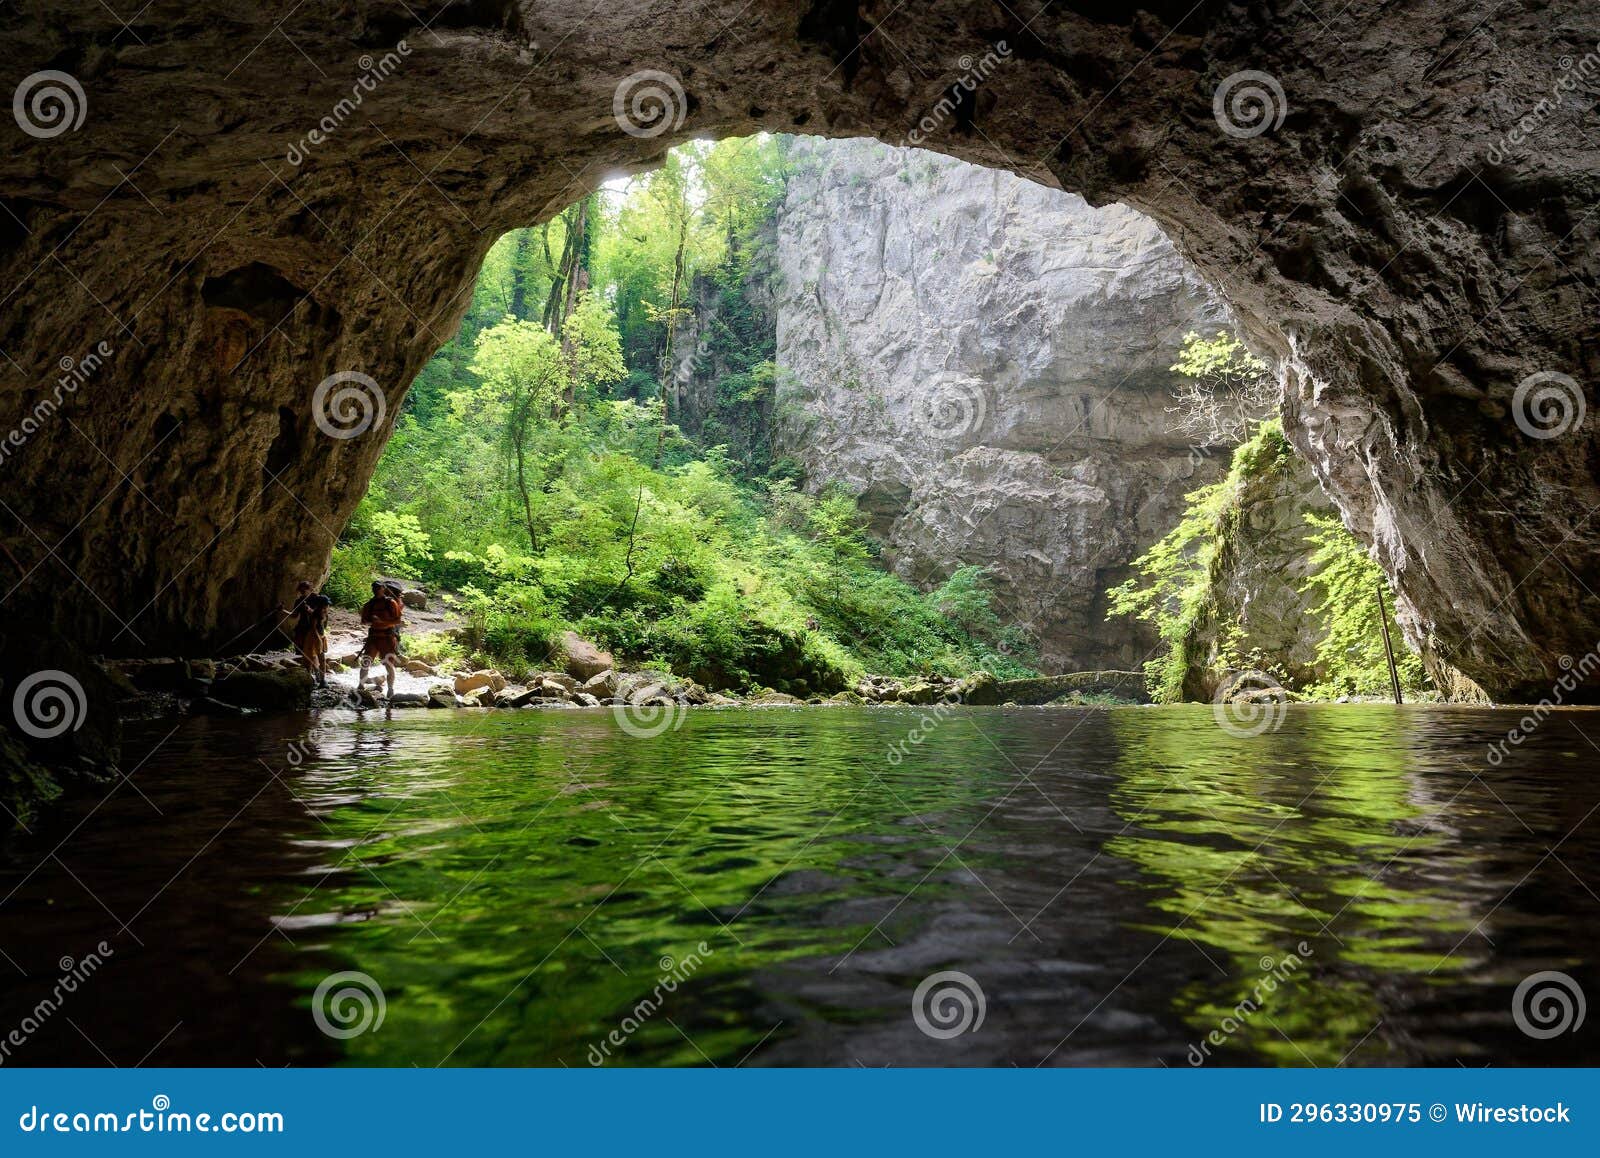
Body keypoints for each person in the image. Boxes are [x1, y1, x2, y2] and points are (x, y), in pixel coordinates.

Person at [280, 580, 332, 687]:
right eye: (301, 591)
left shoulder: (318, 599)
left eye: (305, 590)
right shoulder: (299, 601)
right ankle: (311, 677)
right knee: (307, 656)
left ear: (310, 589)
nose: (303, 593)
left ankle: (321, 679)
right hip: (303, 631)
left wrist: (310, 611)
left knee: (320, 655)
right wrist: (283, 610)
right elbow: (294, 615)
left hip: (317, 630)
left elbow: (323, 614)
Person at [358, 581, 404, 700]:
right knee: (366, 662)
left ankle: (390, 689)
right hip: (373, 636)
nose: (376, 590)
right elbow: (364, 621)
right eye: (374, 588)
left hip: (387, 637)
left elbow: (398, 621)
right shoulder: (369, 604)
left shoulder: (391, 603)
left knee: (389, 664)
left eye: (378, 588)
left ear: (383, 588)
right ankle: (361, 687)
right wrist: (372, 621)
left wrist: (381, 622)